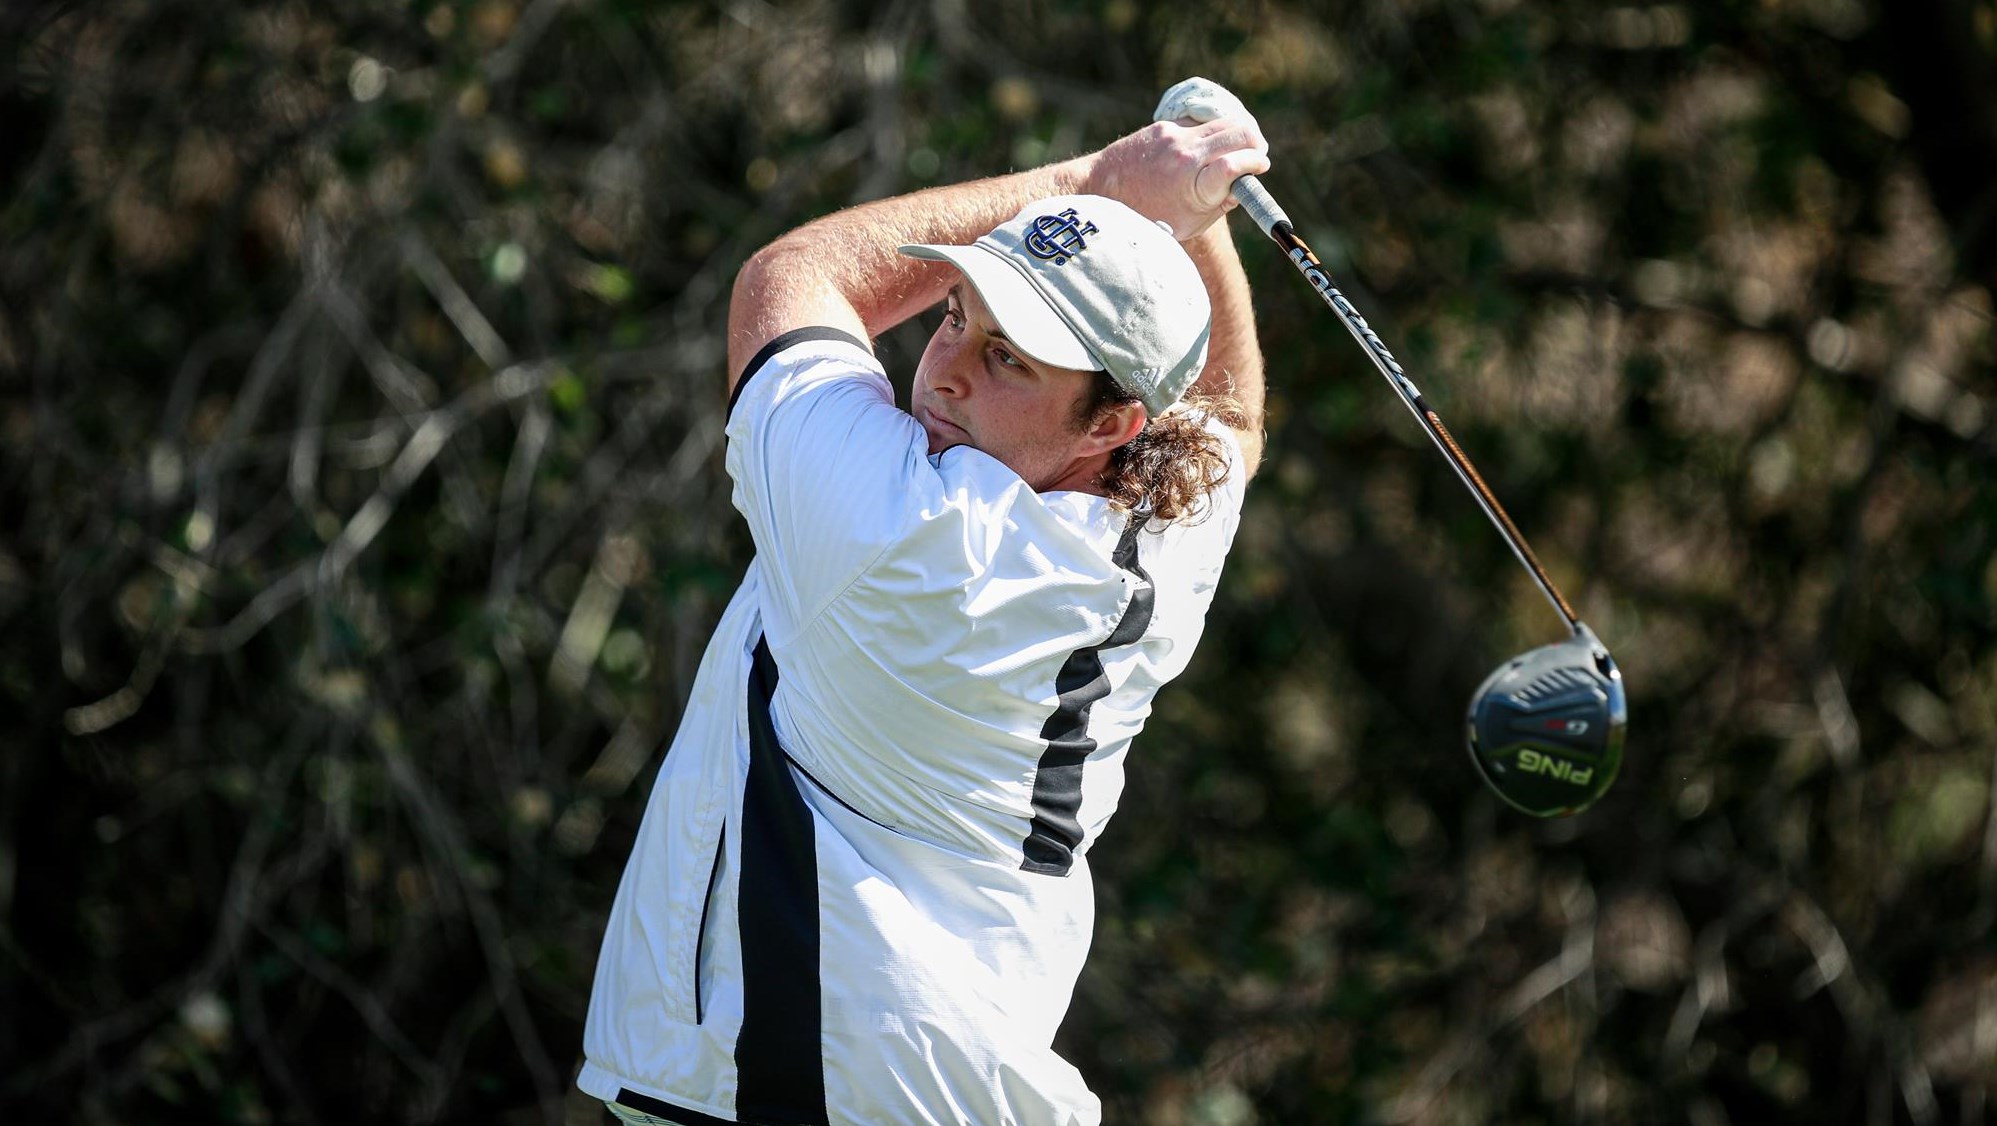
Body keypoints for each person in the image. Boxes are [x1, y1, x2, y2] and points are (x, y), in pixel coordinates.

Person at [577, 82, 1271, 1125]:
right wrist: (1190, 219)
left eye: (1006, 359)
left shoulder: (894, 527)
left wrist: (1100, 182)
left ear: (1109, 422)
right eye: (954, 315)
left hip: (765, 1094)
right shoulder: (1164, 532)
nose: (941, 373)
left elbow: (794, 275)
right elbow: (1230, 418)